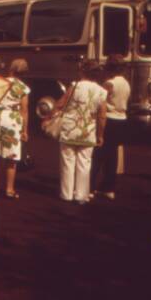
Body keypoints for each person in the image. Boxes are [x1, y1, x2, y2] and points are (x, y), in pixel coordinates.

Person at [56, 60, 107, 205]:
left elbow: (60, 104)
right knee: (84, 164)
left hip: (70, 130)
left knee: (67, 162)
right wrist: (100, 135)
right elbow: (102, 115)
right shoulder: (101, 91)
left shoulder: (75, 86)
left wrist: (51, 111)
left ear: (82, 71)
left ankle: (66, 194)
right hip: (88, 132)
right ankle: (81, 196)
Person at [0, 58, 30, 199]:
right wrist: (24, 130)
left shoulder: (0, 82)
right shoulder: (23, 88)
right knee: (11, 157)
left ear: (10, 69)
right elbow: (24, 110)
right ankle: (9, 189)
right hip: (12, 119)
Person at [90, 54, 130, 200]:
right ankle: (109, 188)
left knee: (98, 154)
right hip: (122, 120)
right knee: (112, 156)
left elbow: (99, 101)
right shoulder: (126, 82)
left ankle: (90, 187)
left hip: (110, 119)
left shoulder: (109, 83)